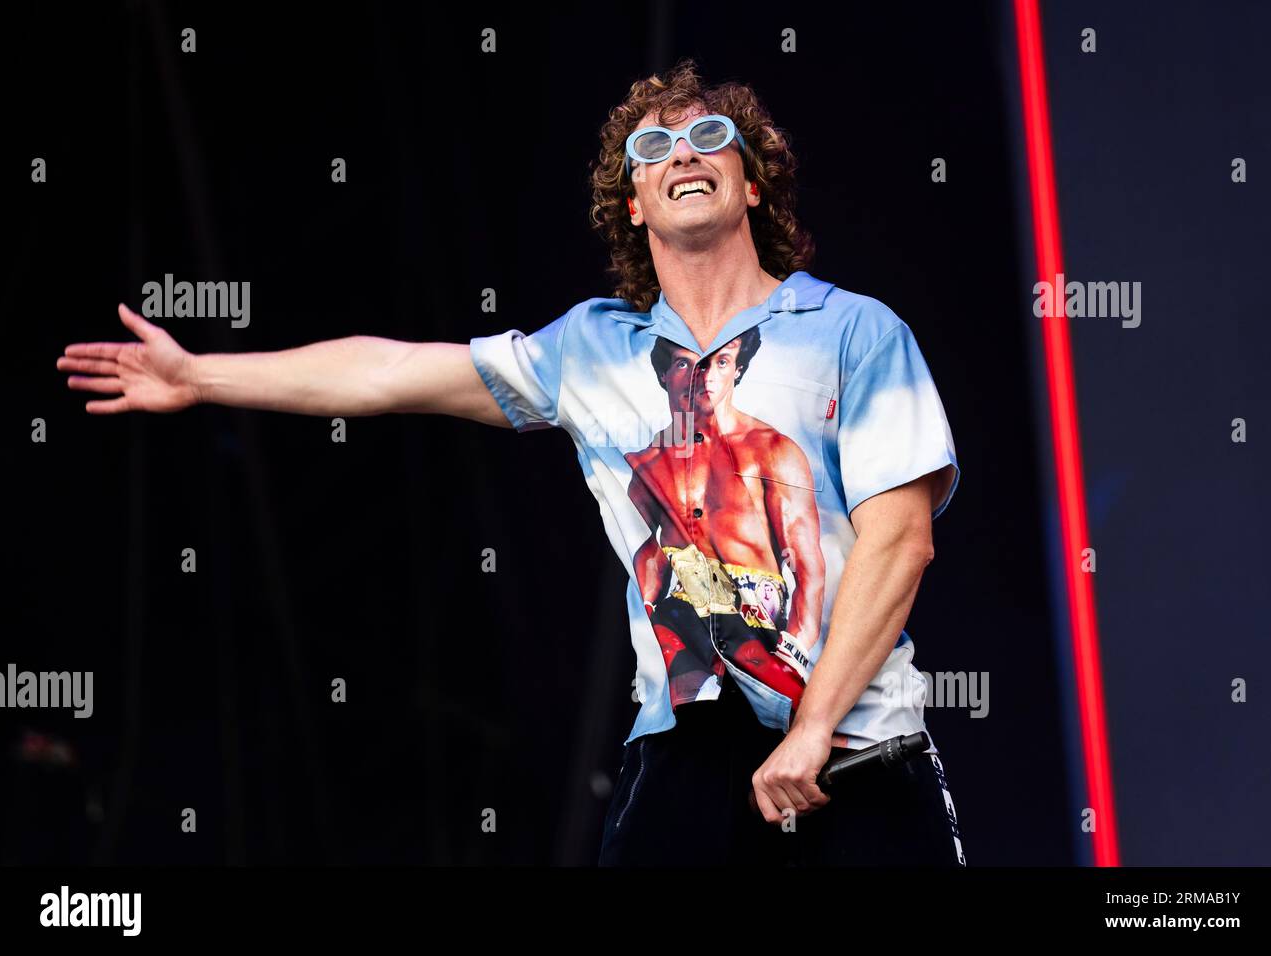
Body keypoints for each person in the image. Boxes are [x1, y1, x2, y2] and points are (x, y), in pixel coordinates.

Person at [56, 58, 965, 866]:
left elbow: (900, 544)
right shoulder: (592, 350)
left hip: (856, 755)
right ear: (633, 202)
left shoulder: (854, 330)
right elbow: (391, 372)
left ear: (753, 186)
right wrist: (199, 373)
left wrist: (810, 733)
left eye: (710, 137)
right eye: (656, 145)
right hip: (686, 759)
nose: (685, 152)